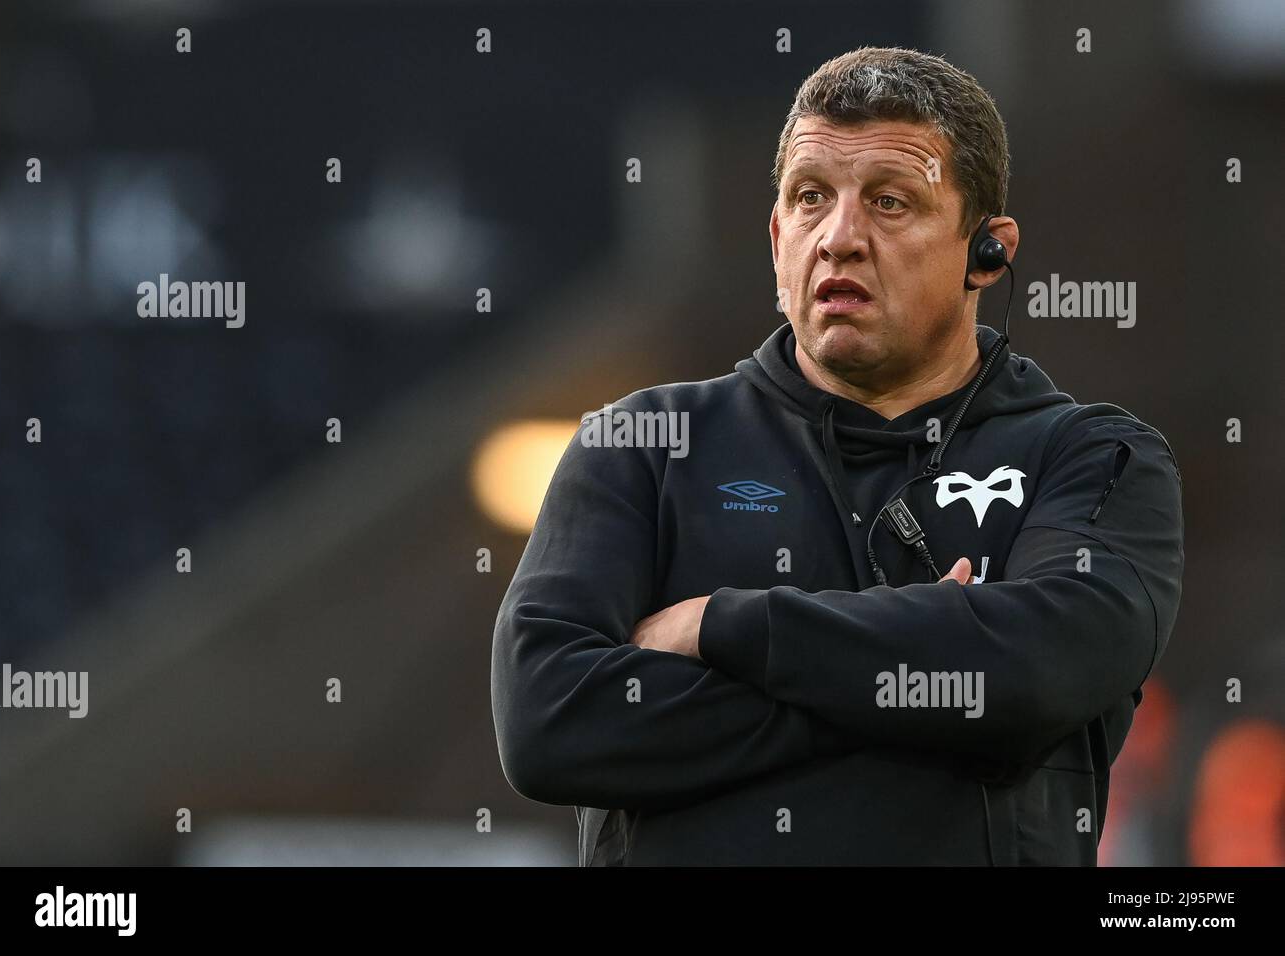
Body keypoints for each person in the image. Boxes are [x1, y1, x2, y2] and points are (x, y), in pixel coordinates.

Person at [490, 46, 1184, 865]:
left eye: (891, 203)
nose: (840, 238)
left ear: (986, 252)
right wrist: (928, 681)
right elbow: (549, 724)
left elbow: (1037, 671)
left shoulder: (1095, 459)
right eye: (811, 198)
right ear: (778, 232)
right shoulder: (642, 446)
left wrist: (724, 625)